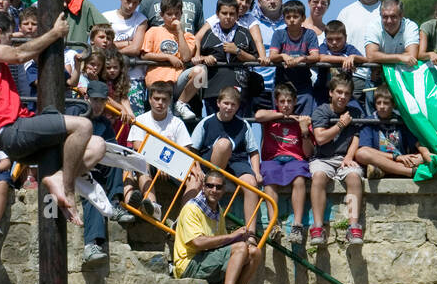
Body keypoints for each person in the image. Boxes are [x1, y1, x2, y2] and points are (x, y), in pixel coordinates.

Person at [0, 10, 102, 225]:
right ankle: (66, 188)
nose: (10, 43)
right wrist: (55, 33)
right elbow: (18, 55)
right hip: (12, 130)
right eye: (9, 38)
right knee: (84, 125)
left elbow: (21, 53)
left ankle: (59, 176)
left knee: (97, 146)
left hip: (18, 135)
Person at [172, 168, 261, 284]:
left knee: (254, 252)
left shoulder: (217, 210)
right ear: (203, 187)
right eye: (210, 186)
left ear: (224, 190)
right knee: (239, 248)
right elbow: (198, 242)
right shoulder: (192, 208)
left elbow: (222, 244)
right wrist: (233, 237)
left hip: (205, 259)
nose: (214, 190)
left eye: (218, 187)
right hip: (189, 265)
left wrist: (240, 237)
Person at [190, 86, 262, 229]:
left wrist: (257, 172)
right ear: (218, 103)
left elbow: (253, 151)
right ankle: (213, 181)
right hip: (211, 162)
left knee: (252, 185)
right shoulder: (207, 122)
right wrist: (196, 168)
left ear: (238, 106)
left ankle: (250, 232)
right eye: (226, 103)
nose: (229, 107)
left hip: (236, 161)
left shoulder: (243, 124)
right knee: (223, 144)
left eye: (233, 104)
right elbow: (192, 150)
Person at [79, 80, 134, 266]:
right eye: (94, 100)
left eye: (102, 101)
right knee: (92, 193)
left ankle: (116, 203)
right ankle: (91, 245)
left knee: (115, 158)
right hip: (74, 168)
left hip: (94, 168)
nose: (97, 105)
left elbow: (111, 150)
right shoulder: (76, 114)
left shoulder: (104, 123)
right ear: (86, 98)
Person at [254, 81, 313, 244]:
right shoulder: (272, 116)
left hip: (295, 159)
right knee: (268, 178)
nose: (286, 105)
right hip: (273, 159)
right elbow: (258, 115)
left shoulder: (303, 119)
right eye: (282, 102)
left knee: (299, 179)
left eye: (289, 102)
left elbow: (308, 152)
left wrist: (304, 131)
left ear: (295, 102)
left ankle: (297, 225)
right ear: (277, 103)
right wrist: (283, 116)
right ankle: (274, 224)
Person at [309, 73, 365, 245]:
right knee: (318, 177)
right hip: (323, 158)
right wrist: (340, 124)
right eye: (339, 92)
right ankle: (318, 227)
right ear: (331, 93)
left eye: (346, 94)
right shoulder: (321, 111)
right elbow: (320, 138)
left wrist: (349, 156)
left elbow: (356, 136)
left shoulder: (355, 112)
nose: (342, 97)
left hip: (344, 157)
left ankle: (353, 227)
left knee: (355, 178)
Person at [125, 80, 192, 216]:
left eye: (164, 100)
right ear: (149, 99)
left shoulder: (177, 123)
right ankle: (153, 206)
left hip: (172, 164)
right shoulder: (141, 120)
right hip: (150, 161)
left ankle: (185, 218)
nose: (160, 103)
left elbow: (186, 151)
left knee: (195, 179)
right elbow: (139, 146)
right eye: (156, 99)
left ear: (169, 101)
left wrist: (166, 164)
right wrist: (160, 162)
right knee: (142, 161)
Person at [140, 0, 205, 116]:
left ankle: (181, 104)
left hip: (178, 82)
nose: (173, 17)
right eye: (169, 14)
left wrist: (180, 31)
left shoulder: (188, 36)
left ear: (181, 14)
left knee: (201, 71)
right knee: (166, 119)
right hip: (159, 82)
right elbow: (144, 55)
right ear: (162, 15)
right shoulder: (154, 31)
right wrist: (168, 57)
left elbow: (186, 57)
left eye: (177, 14)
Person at [195, 0, 257, 113]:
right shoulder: (208, 34)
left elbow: (255, 59)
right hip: (213, 91)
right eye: (224, 13)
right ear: (217, 14)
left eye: (232, 14)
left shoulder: (244, 33)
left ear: (237, 15)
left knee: (238, 128)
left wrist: (238, 51)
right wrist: (204, 58)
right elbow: (197, 57)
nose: (228, 17)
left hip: (238, 92)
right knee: (214, 126)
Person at [356, 83, 424, 178]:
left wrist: (426, 153)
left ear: (393, 104)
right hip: (382, 160)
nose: (382, 106)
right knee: (361, 153)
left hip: (402, 161)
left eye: (386, 103)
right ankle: (409, 172)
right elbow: (365, 149)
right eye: (378, 103)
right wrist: (395, 157)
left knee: (425, 156)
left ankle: (384, 171)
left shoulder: (401, 121)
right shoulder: (369, 121)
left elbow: (415, 143)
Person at [102, 0, 148, 114]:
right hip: (109, 75)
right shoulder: (105, 17)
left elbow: (136, 49)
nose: (130, 6)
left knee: (134, 117)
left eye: (135, 3)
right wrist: (128, 42)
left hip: (134, 77)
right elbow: (103, 45)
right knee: (111, 114)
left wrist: (114, 46)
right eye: (128, 1)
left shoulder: (141, 20)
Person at [336, 0, 382, 89]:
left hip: (381, 76)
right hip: (353, 76)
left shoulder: (387, 13)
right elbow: (334, 44)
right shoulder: (345, 13)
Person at [269, 0, 319, 114]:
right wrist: (283, 56)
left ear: (303, 18)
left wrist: (301, 59)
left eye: (295, 16)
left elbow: (315, 56)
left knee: (304, 120)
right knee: (280, 119)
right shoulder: (279, 34)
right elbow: (272, 56)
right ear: (284, 18)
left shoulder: (310, 34)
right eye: (288, 17)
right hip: (282, 84)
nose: (291, 20)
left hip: (303, 84)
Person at [363, 0, 420, 76]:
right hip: (377, 76)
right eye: (385, 17)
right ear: (380, 15)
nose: (389, 21)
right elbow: (370, 56)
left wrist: (380, 57)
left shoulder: (410, 26)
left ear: (401, 15)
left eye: (393, 16)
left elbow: (412, 56)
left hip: (405, 75)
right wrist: (400, 58)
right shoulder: (373, 27)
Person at [314, 18, 364, 104]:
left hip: (344, 93)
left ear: (345, 38)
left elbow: (365, 59)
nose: (334, 42)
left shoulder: (349, 49)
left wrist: (353, 57)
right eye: (330, 39)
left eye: (338, 39)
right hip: (323, 91)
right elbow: (321, 58)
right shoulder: (324, 47)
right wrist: (344, 59)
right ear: (325, 39)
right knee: (317, 113)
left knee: (358, 112)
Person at [252, 0, 283, 103]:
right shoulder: (250, 22)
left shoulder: (291, 21)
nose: (272, 1)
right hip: (257, 85)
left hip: (284, 87)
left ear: (281, 0)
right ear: (259, 2)